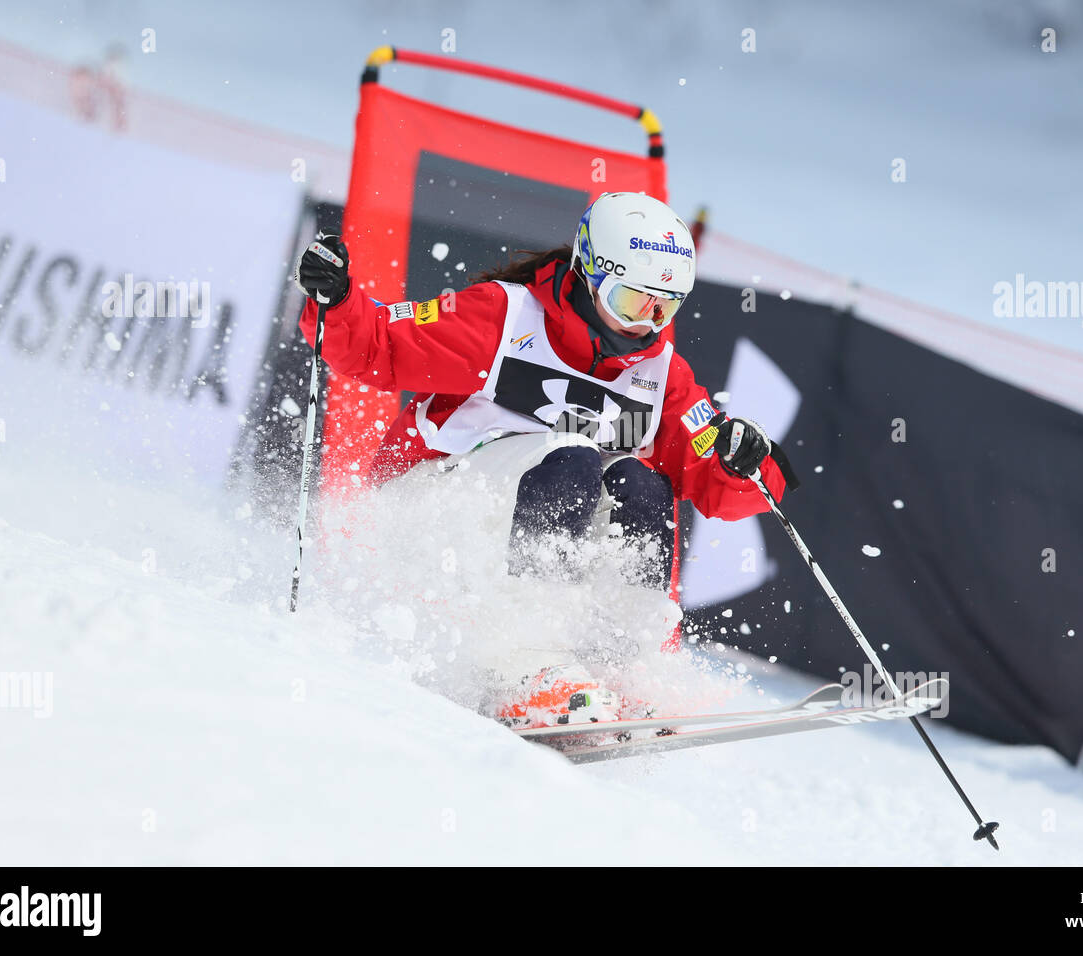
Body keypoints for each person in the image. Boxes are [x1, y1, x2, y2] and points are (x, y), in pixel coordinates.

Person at [295, 192, 788, 727]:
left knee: (641, 486)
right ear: (591, 272)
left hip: (526, 512)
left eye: (664, 307)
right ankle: (525, 665)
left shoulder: (661, 376)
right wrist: (338, 301)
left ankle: (619, 667)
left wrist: (744, 462)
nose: (644, 324)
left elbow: (718, 484)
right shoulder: (505, 316)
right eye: (631, 302)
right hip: (430, 505)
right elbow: (382, 346)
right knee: (572, 460)